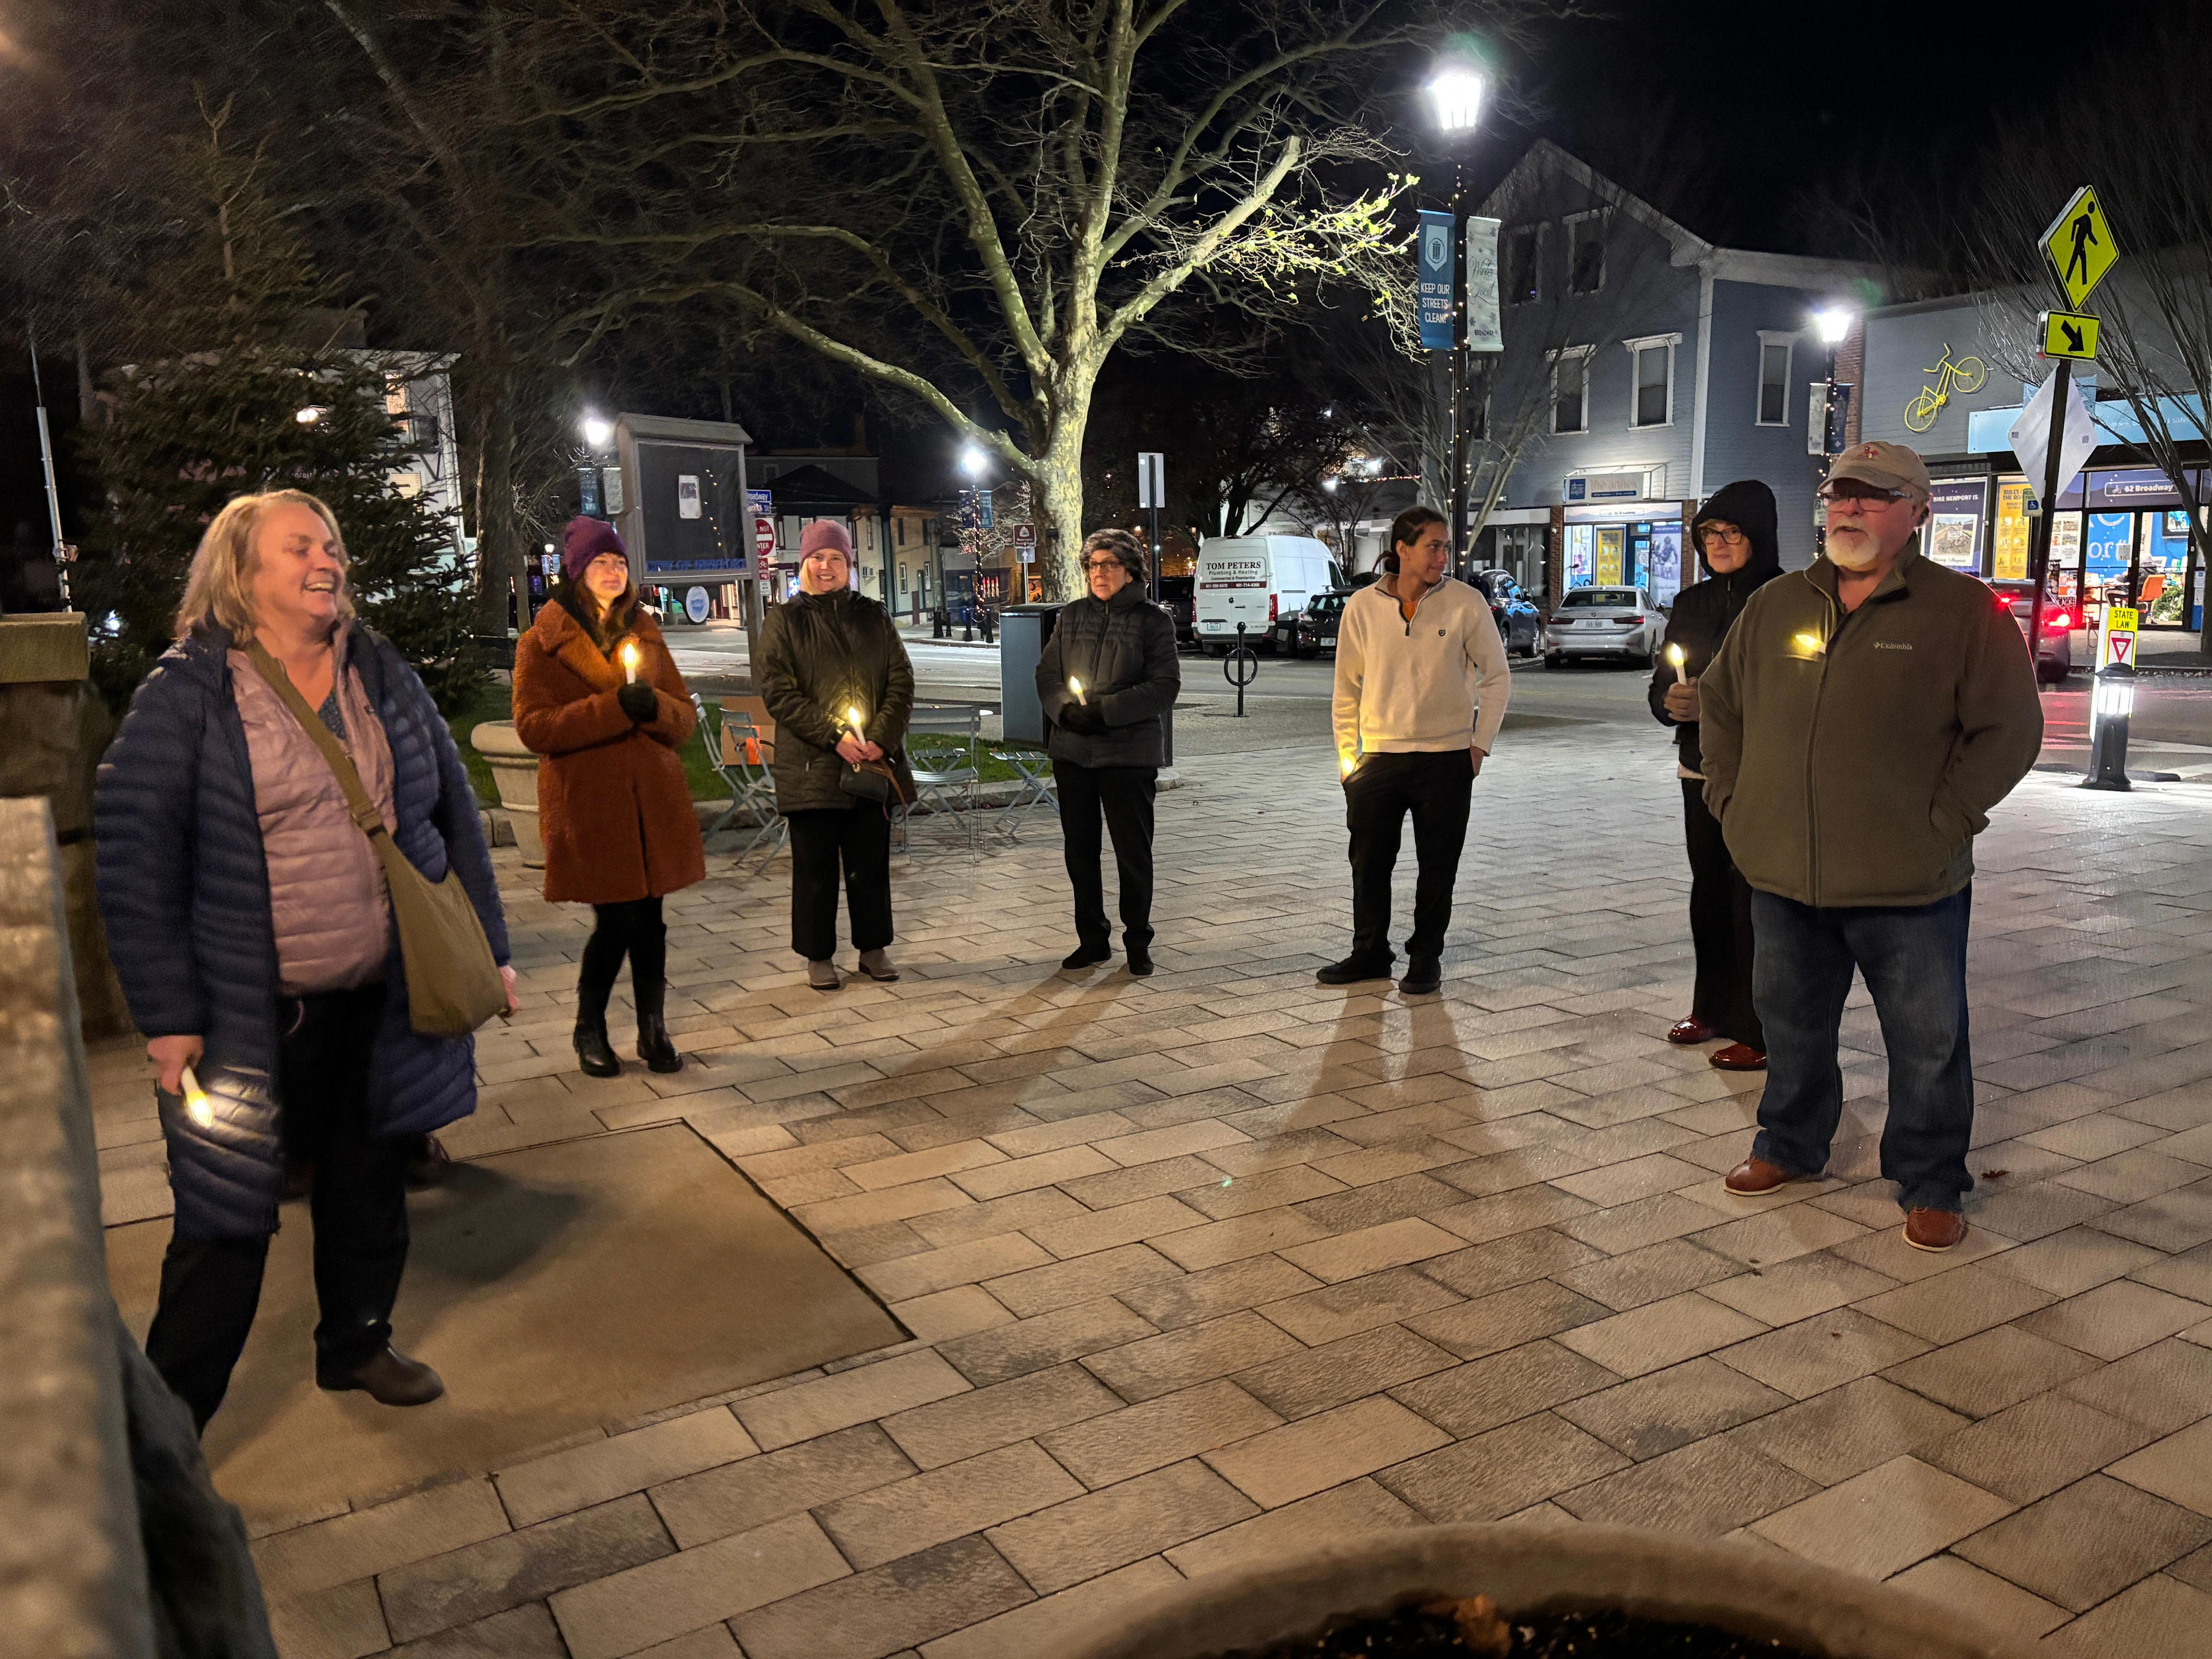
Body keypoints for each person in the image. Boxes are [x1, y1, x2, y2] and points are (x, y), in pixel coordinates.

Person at [95, 490, 516, 1431]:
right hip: (252, 1015)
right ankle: (164, 1433)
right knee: (225, 1220)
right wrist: (168, 1016)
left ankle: (356, 1341)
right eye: (299, 547)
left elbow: (450, 812)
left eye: (331, 543)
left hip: (381, 995)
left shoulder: (378, 669)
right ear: (241, 574)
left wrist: (490, 949)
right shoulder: (189, 693)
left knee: (370, 1182)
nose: (326, 559)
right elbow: (134, 860)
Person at [1699, 441, 2042, 1252]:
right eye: (1839, 493)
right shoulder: (1778, 603)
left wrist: (1946, 818)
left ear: (1919, 512)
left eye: (1874, 495)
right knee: (1790, 1024)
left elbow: (2010, 730)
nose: (1849, 507)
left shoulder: (1962, 612)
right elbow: (1720, 703)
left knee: (1927, 1038)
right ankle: (1787, 1142)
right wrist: (1733, 801)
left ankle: (1929, 1180)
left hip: (1908, 881)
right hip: (1784, 871)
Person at [514, 517, 706, 1077]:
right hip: (592, 804)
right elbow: (533, 726)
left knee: (651, 920)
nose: (613, 571)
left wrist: (656, 709)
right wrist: (613, 708)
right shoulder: (542, 643)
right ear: (576, 572)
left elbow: (683, 718)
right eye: (601, 562)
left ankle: (652, 1029)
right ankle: (588, 1027)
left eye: (619, 563)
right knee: (615, 921)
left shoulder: (643, 631)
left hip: (650, 802)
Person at [1323, 504, 1511, 996]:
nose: (1442, 556)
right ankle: (1370, 951)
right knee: (1368, 862)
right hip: (1379, 757)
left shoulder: (1465, 602)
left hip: (1447, 759)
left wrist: (1477, 747)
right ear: (1402, 550)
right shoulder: (1362, 607)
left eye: (1446, 547)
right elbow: (1346, 687)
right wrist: (1348, 758)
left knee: (1438, 864)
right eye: (1433, 546)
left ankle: (1425, 956)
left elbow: (1496, 677)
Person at [1649, 480, 1783, 1073]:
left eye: (1730, 531)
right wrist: (1669, 704)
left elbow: (1790, 689)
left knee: (1749, 895)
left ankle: (1758, 1026)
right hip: (1697, 766)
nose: (1718, 543)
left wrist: (1716, 705)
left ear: (1757, 533)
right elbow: (1660, 685)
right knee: (1707, 889)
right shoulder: (1692, 603)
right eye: (1708, 534)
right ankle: (1709, 1008)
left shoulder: (1784, 598)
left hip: (1758, 769)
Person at [756, 520, 915, 991]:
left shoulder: (874, 617)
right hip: (812, 767)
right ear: (803, 563)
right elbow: (778, 693)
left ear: (849, 565)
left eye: (836, 559)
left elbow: (900, 681)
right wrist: (834, 736)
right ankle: (818, 955)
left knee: (870, 866)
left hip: (869, 763)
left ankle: (872, 949)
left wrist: (880, 739)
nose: (826, 568)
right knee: (815, 871)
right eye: (817, 559)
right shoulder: (784, 621)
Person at [1037, 527, 1182, 975]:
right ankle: (1092, 939)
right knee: (1080, 851)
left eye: (1109, 565)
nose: (1099, 573)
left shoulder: (1153, 620)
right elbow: (1047, 675)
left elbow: (1164, 687)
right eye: (1093, 565)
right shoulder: (1071, 615)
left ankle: (1138, 940)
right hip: (1074, 754)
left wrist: (1106, 712)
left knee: (1132, 853)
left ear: (1130, 570)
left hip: (1128, 755)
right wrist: (1065, 711)